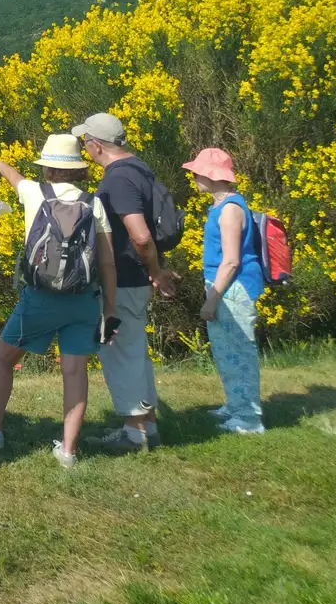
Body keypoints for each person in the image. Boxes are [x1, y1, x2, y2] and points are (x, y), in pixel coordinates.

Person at [0, 134, 118, 467]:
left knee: (2, 359)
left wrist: (0, 165)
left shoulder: (35, 193)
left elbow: (16, 179)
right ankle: (68, 451)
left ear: (47, 167)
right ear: (78, 169)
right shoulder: (93, 203)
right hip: (84, 300)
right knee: (75, 371)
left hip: (39, 299)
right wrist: (109, 307)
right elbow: (107, 261)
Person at [74, 112, 174, 453]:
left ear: (95, 145)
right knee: (134, 350)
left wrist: (156, 269)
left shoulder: (118, 179)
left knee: (119, 350)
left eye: (84, 141)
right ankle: (148, 425)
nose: (83, 147)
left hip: (125, 280)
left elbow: (141, 236)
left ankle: (134, 434)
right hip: (136, 279)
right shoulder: (139, 168)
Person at [183, 147, 265, 434]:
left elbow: (231, 261)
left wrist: (211, 300)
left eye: (196, 172)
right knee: (226, 351)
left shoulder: (230, 210)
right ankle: (235, 405)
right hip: (224, 287)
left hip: (233, 289)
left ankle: (249, 419)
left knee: (239, 352)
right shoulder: (221, 206)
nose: (192, 177)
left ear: (211, 175)